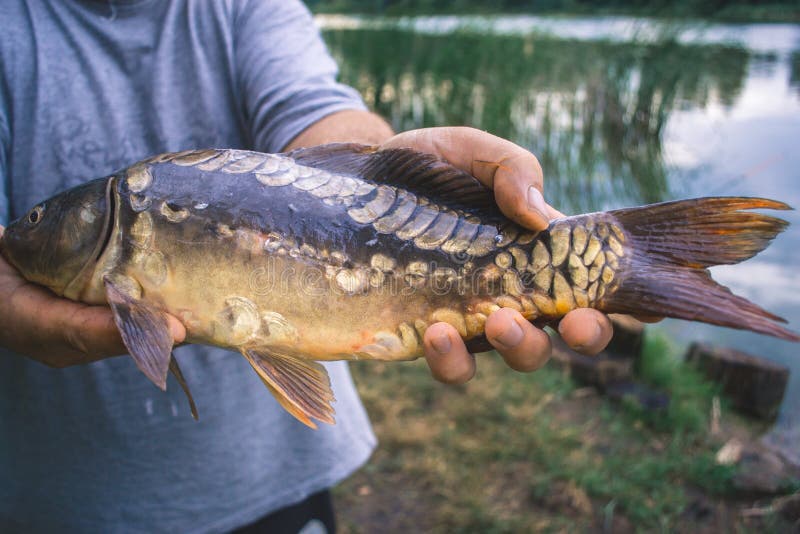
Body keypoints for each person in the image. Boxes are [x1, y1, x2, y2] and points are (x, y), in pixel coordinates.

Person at [0, 0, 614, 531]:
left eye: (36, 223)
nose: (26, 234)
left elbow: (316, 112)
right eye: (33, 221)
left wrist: (389, 168)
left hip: (276, 473)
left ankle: (614, 266)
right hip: (61, 496)